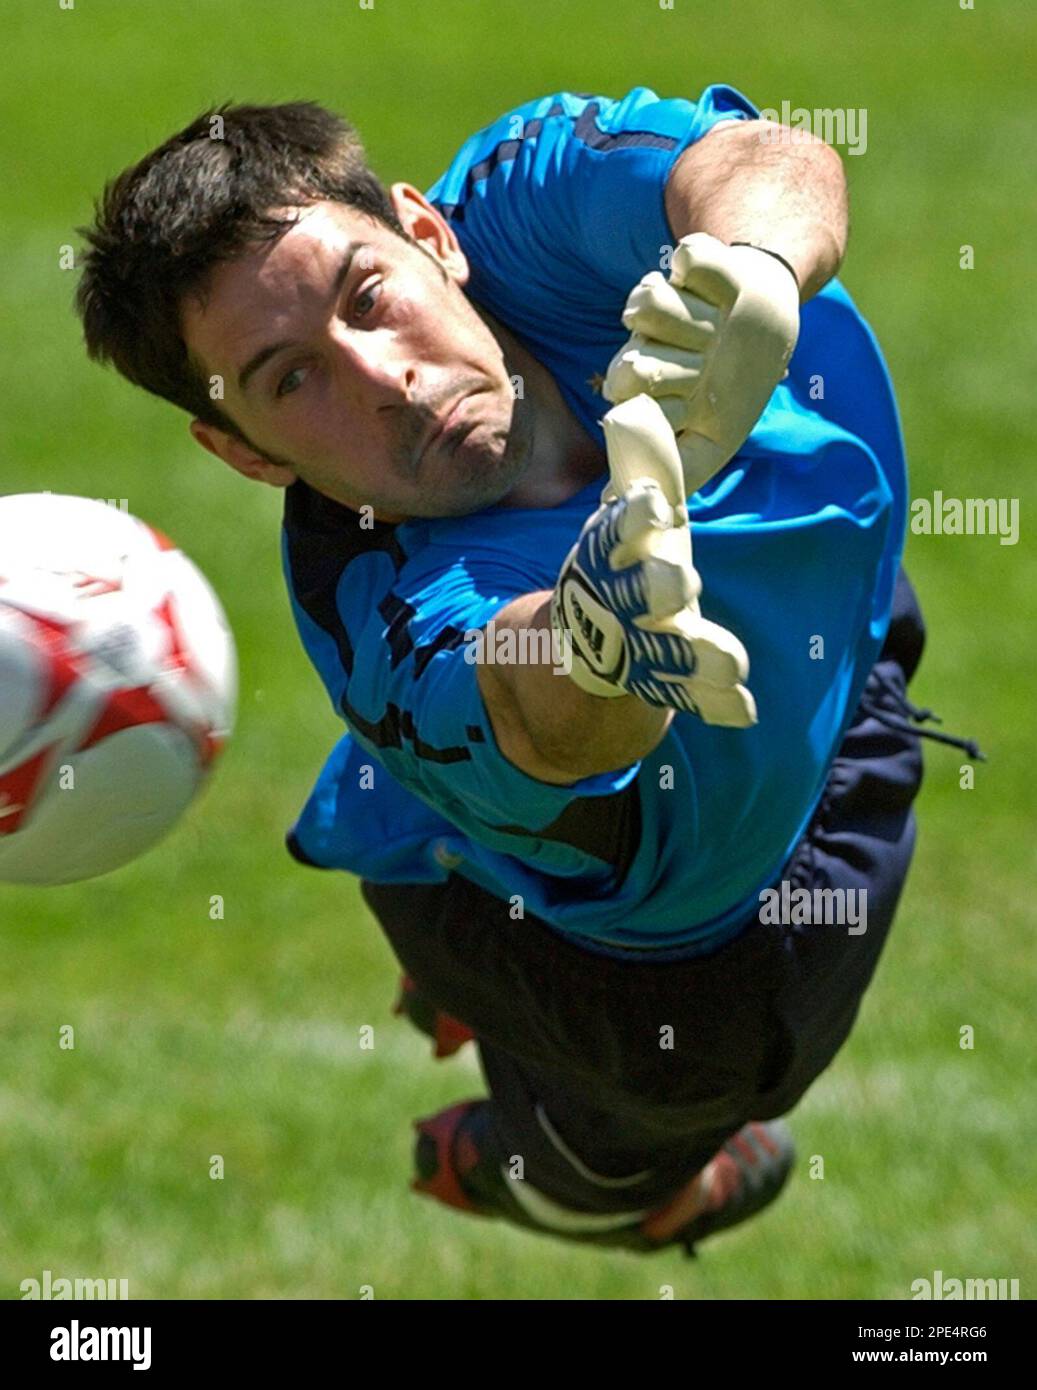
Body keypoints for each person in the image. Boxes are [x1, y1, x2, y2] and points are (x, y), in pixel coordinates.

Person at [73, 85, 980, 1256]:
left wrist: (751, 266)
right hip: (674, 958)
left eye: (369, 296)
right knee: (657, 1128)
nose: (385, 378)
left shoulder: (519, 198)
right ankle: (560, 1167)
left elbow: (761, 158)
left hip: (832, 654)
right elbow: (544, 718)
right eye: (290, 380)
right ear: (246, 452)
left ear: (428, 234)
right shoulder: (378, 609)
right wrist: (597, 631)